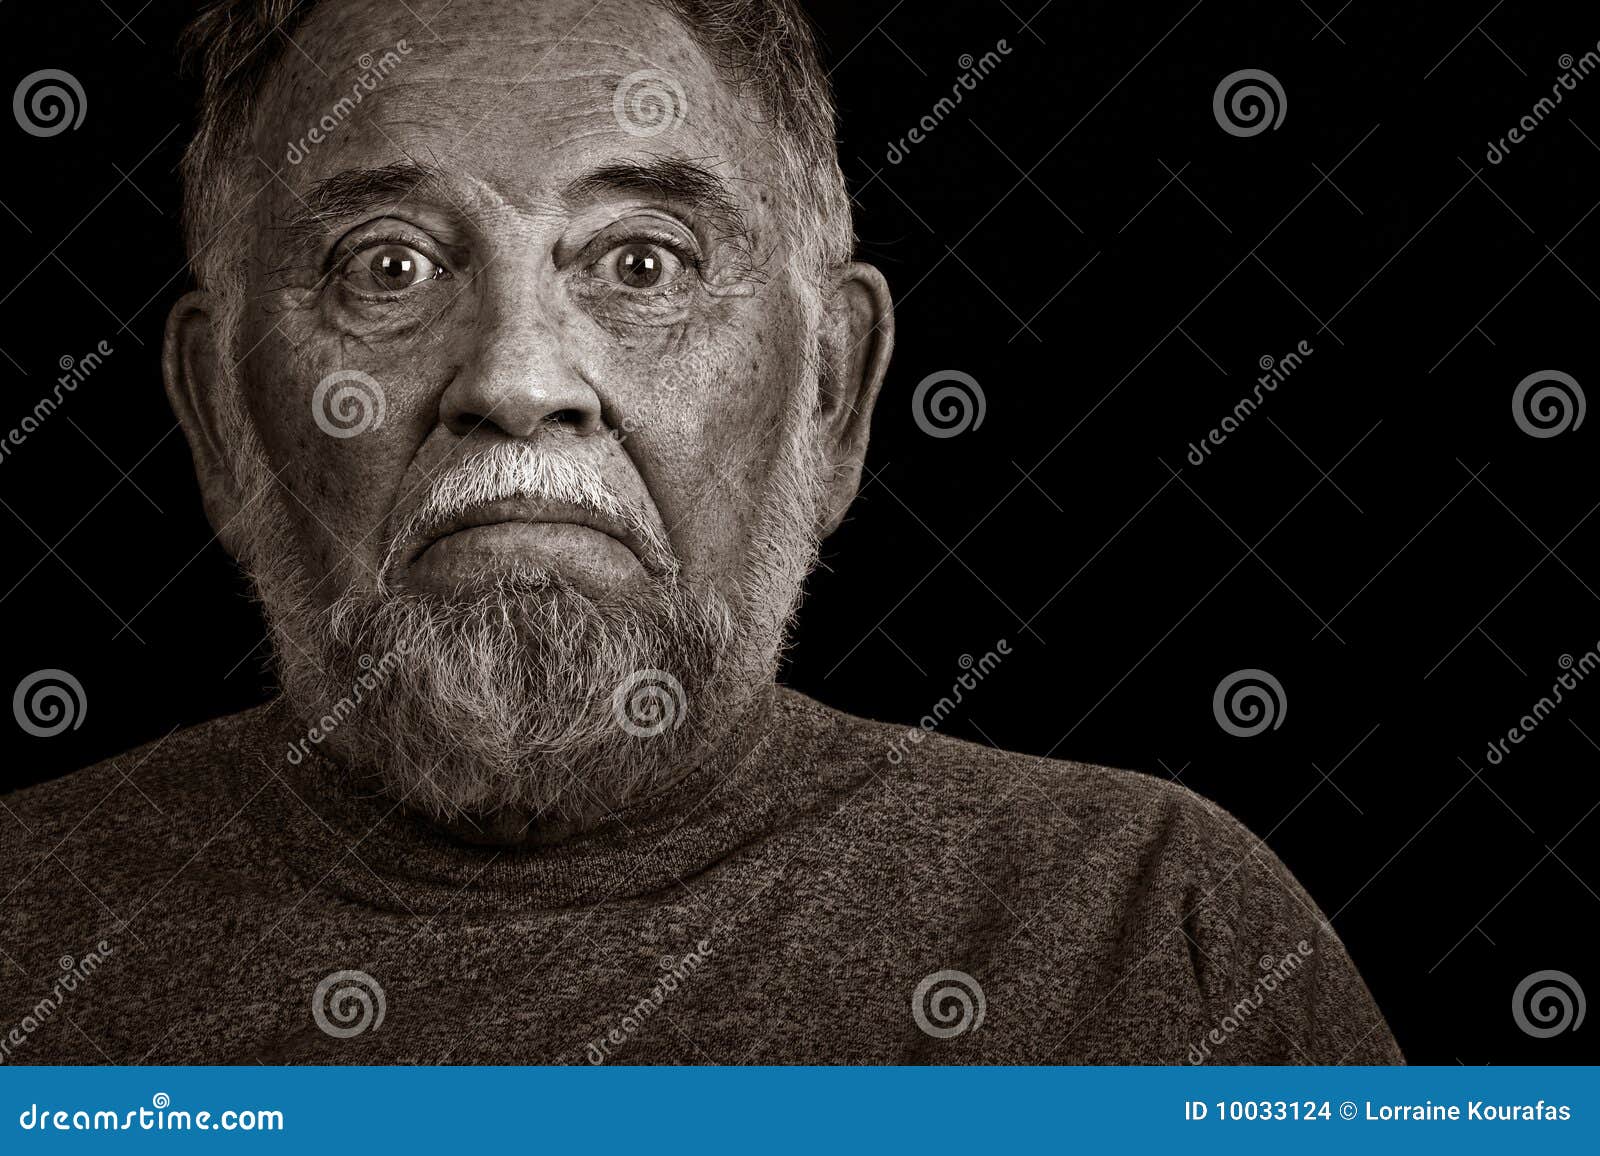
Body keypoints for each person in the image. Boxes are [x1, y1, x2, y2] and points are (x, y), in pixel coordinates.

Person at [0, 0, 1401, 1064]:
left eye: (643, 262)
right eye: (390, 266)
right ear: (217, 416)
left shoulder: (1158, 940)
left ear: (834, 394)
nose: (518, 380)